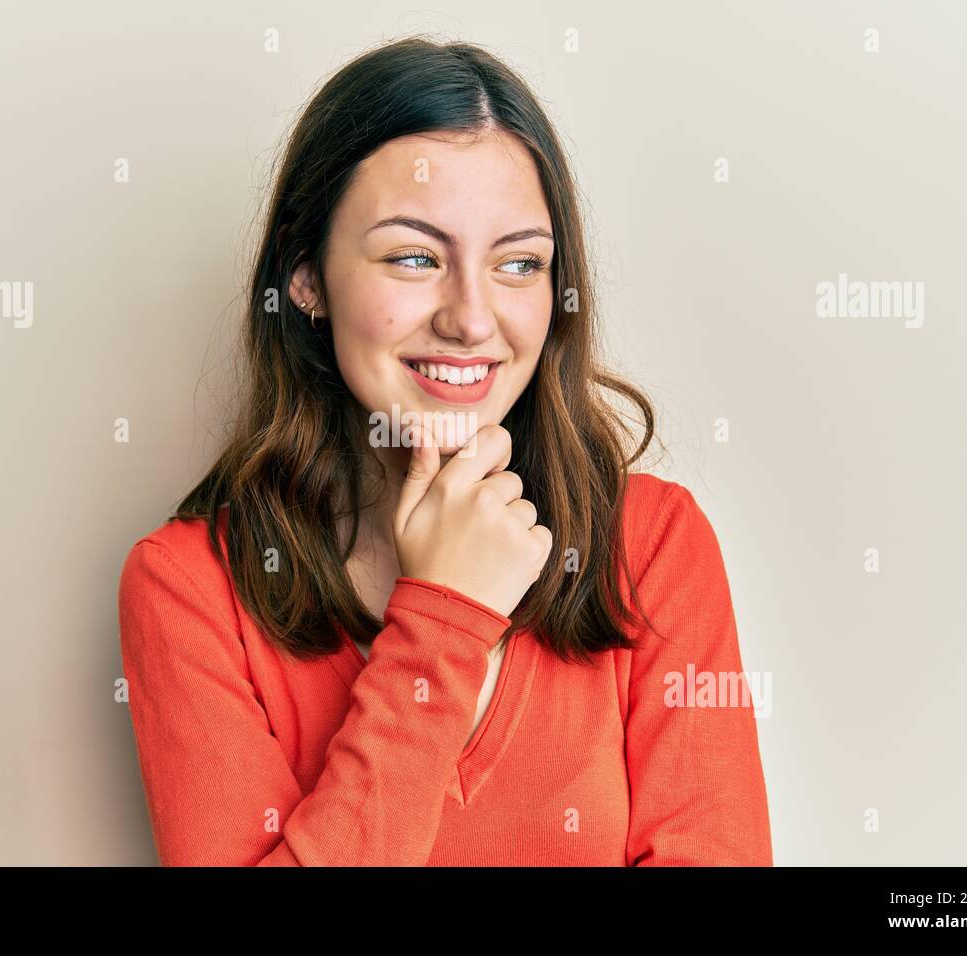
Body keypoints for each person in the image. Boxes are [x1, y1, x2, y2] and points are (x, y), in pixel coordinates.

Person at [117, 35, 772, 866]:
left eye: (519, 264)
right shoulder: (189, 590)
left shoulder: (653, 545)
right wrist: (445, 621)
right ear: (306, 275)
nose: (471, 318)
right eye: (414, 256)